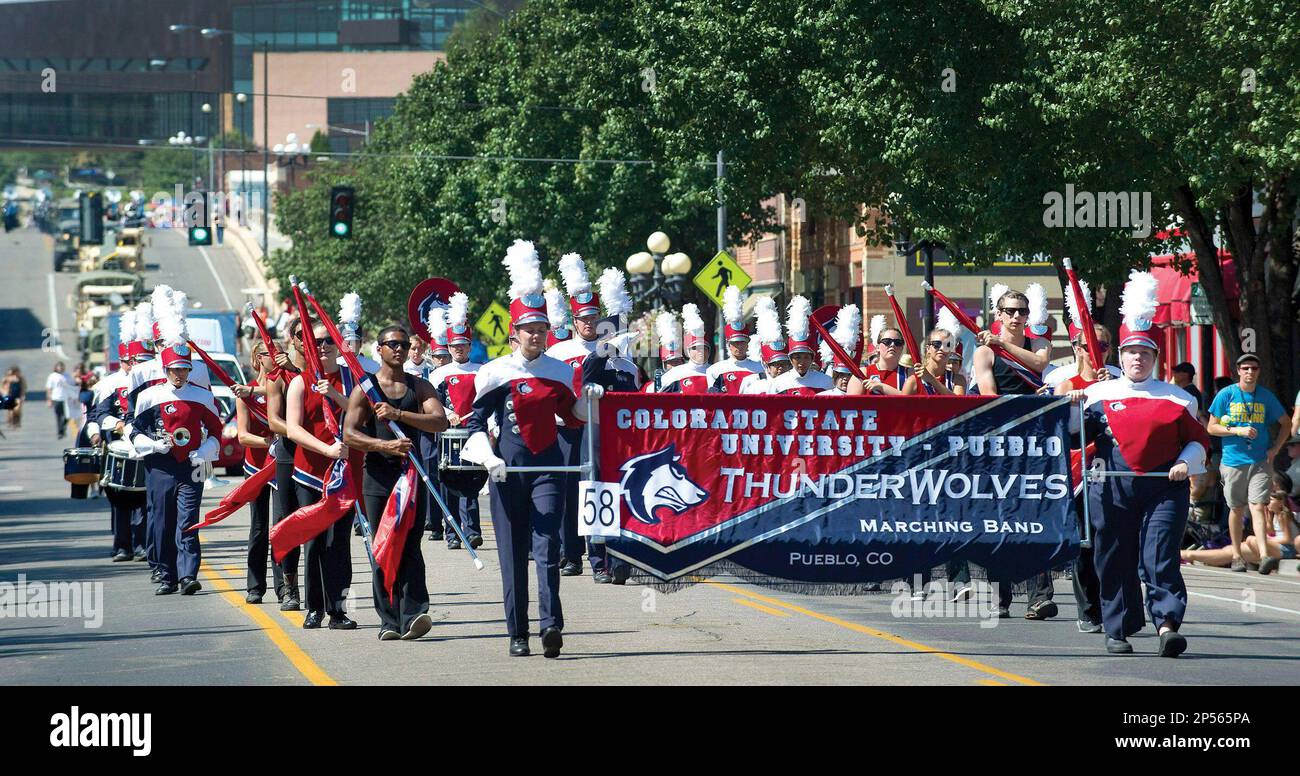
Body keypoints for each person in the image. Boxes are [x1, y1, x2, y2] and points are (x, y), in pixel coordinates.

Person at [460, 239, 598, 657]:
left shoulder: (558, 370)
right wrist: (488, 457)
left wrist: (588, 401)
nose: (536, 335)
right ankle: (517, 633)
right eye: (529, 330)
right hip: (506, 468)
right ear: (514, 333)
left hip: (548, 468)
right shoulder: (494, 371)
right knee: (513, 553)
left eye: (541, 329)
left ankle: (551, 625)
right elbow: (473, 421)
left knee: (546, 548)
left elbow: (570, 416)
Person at [1068, 270, 1210, 656]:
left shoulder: (1178, 398)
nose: (1137, 359)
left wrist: (1184, 462)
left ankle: (1167, 625)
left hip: (1164, 488)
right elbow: (1073, 439)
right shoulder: (1097, 393)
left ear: (1155, 358)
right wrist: (1074, 412)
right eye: (1131, 352)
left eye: (1144, 353)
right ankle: (1118, 628)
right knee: (1113, 558)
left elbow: (1199, 443)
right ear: (1121, 355)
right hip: (1111, 488)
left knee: (1160, 556)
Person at [343, 323, 447, 641]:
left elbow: (439, 420)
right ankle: (389, 619)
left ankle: (414, 613)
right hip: (377, 477)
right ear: (380, 349)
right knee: (383, 545)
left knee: (411, 544)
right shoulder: (366, 388)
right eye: (392, 344)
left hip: (411, 475)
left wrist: (400, 415)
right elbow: (349, 433)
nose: (399, 349)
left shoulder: (420, 386)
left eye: (403, 344)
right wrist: (383, 445)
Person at [547, 253, 639, 576]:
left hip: (597, 428)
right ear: (574, 321)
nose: (589, 323)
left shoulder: (613, 349)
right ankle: (570, 553)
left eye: (593, 316)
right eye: (583, 318)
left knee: (595, 488)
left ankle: (599, 555)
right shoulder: (558, 352)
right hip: (564, 426)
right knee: (568, 490)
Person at [971, 287, 1054, 618]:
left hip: (1036, 442)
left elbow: (1040, 362)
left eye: (1022, 311)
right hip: (1000, 443)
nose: (1018, 316)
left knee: (1035, 517)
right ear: (999, 315)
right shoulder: (984, 353)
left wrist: (1001, 343)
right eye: (1011, 311)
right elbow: (989, 395)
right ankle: (999, 594)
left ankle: (1040, 596)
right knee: (1000, 519)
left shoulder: (1039, 343)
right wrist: (995, 347)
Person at [285, 323, 365, 630]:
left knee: (339, 543)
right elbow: (293, 429)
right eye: (317, 341)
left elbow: (363, 414)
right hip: (309, 473)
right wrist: (326, 449)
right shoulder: (300, 382)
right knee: (315, 542)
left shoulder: (352, 378)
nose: (323, 346)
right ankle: (314, 608)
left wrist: (333, 394)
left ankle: (339, 610)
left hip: (344, 473)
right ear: (307, 345)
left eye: (329, 340)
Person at [129, 341, 222, 596]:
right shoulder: (149, 397)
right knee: (162, 520)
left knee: (188, 520)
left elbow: (216, 430)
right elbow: (135, 432)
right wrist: (153, 445)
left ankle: (188, 575)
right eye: (174, 369)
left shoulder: (202, 395)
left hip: (191, 466)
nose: (179, 374)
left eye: (184, 369)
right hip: (160, 467)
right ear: (165, 369)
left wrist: (204, 451)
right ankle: (167, 575)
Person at [1207, 353, 1290, 574]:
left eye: (1254, 368)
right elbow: (1211, 427)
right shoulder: (1227, 394)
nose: (1250, 372)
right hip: (1233, 460)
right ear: (1238, 371)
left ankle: (1263, 556)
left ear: (1259, 371)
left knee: (1258, 506)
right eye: (1246, 368)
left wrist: (1275, 448)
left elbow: (1286, 423)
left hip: (1260, 459)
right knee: (1237, 507)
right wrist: (1237, 430)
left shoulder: (1266, 396)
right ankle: (1236, 555)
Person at [427, 293, 485, 549]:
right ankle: (452, 533)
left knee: (472, 481)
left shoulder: (482, 371)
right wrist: (445, 413)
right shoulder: (439, 374)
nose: (458, 349)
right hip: (448, 436)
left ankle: (472, 530)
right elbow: (431, 402)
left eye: (463, 345)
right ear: (448, 348)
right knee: (449, 482)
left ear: (469, 345)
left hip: (472, 435)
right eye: (454, 346)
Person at [87, 329, 147, 563]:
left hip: (144, 446)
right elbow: (98, 414)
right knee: (120, 500)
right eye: (128, 361)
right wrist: (116, 424)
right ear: (122, 360)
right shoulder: (110, 383)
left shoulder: (150, 381)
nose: (131, 365)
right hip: (117, 446)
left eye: (136, 361)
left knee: (144, 501)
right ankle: (123, 545)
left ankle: (143, 544)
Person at [263, 318, 305, 610]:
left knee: (326, 525)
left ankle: (330, 593)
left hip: (323, 453)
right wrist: (298, 430)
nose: (314, 342)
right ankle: (289, 587)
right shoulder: (278, 376)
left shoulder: (327, 372)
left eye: (323, 338)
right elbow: (273, 419)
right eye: (302, 335)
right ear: (293, 339)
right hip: (290, 453)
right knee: (287, 522)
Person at [237, 341, 278, 604]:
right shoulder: (245, 392)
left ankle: (286, 587)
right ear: (257, 358)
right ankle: (255, 586)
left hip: (280, 465)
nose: (274, 357)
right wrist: (268, 443)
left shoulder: (281, 387)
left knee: (281, 525)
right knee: (259, 527)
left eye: (278, 352)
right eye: (268, 354)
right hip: (256, 466)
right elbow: (243, 436)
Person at [769, 295, 833, 396]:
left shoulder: (826, 381)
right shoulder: (778, 383)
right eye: (797, 357)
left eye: (806, 357)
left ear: (812, 358)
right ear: (790, 359)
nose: (802, 362)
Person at [707, 286, 762, 392]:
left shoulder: (760, 368)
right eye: (735, 343)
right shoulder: (715, 370)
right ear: (728, 344)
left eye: (742, 342)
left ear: (748, 344)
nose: (739, 346)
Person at [738, 296, 791, 394]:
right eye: (776, 364)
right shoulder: (753, 385)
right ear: (766, 365)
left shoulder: (795, 385)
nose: (781, 368)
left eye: (784, 364)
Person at [657, 304, 712, 393]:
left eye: (704, 348)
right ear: (688, 351)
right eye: (695, 348)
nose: (700, 351)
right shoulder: (674, 374)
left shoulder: (716, 371)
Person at [903, 327, 968, 396]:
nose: (942, 348)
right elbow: (901, 406)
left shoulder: (957, 380)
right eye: (937, 344)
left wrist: (932, 380)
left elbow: (959, 404)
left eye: (947, 345)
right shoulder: (913, 381)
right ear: (928, 349)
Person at [643, 310, 685, 392]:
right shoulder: (654, 385)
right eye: (671, 362)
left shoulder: (690, 378)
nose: (674, 365)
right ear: (664, 365)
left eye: (677, 361)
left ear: (682, 362)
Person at [45, 361, 74, 438]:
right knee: (58, 416)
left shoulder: (67, 376)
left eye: (62, 366)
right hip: (56, 398)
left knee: (67, 416)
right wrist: (49, 399)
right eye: (59, 367)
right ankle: (60, 432)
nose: (60, 368)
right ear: (56, 367)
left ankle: (63, 427)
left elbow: (72, 385)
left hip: (66, 399)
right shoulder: (52, 376)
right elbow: (49, 388)